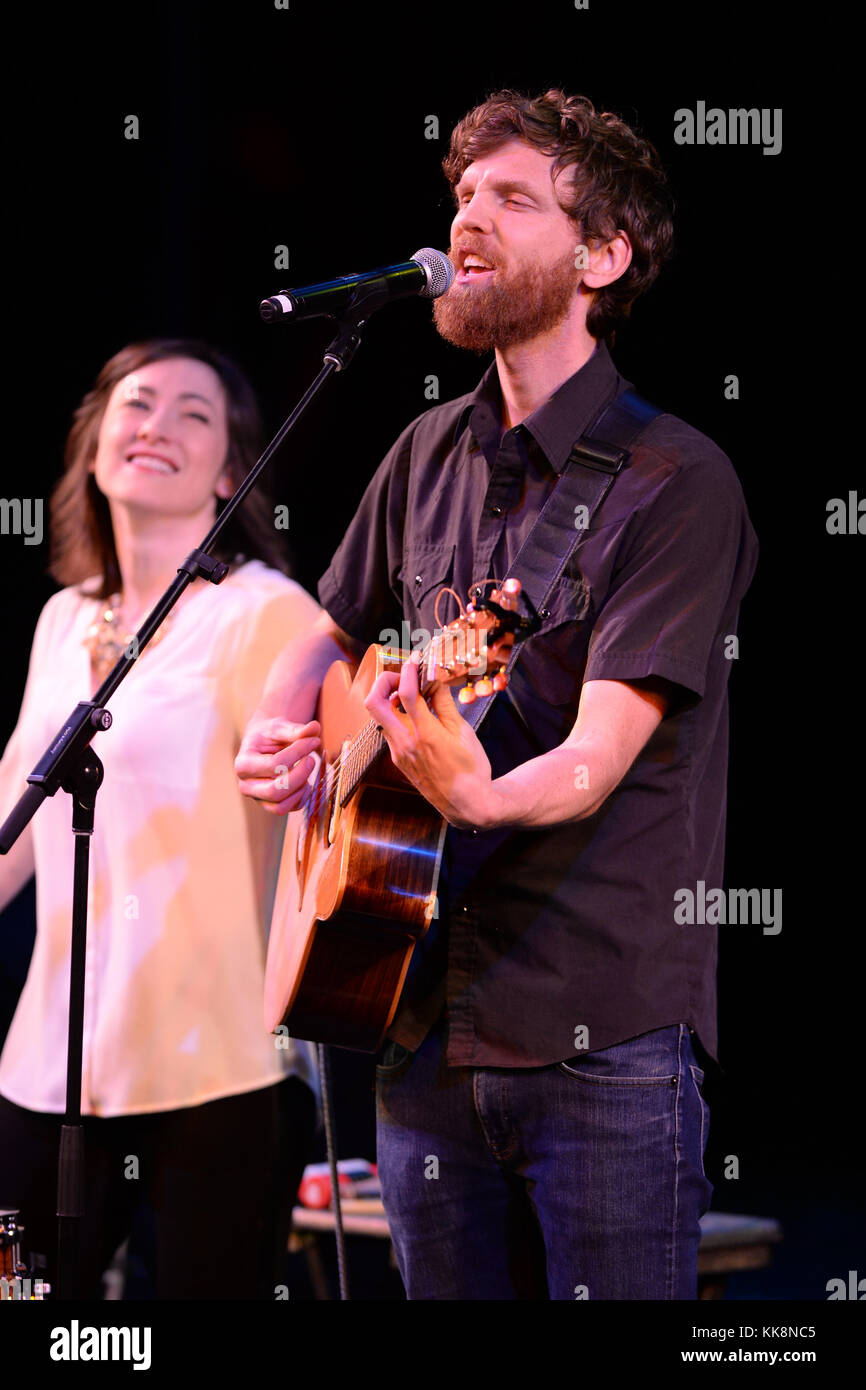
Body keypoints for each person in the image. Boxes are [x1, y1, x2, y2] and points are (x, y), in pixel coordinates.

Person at [234, 90, 759, 1300]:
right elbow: (325, 629)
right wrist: (288, 734)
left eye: (510, 198)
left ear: (601, 255)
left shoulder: (674, 478)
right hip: (411, 1009)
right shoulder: (422, 451)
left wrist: (479, 794)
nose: (466, 218)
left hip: (597, 1035)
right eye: (461, 194)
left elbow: (597, 751)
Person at [0, 338, 322, 1299]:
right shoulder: (65, 616)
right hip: (50, 1060)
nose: (158, 427)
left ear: (232, 470)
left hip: (217, 1069)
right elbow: (16, 798)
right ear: (95, 445)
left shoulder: (267, 614)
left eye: (196, 414)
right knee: (22, 1299)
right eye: (138, 405)